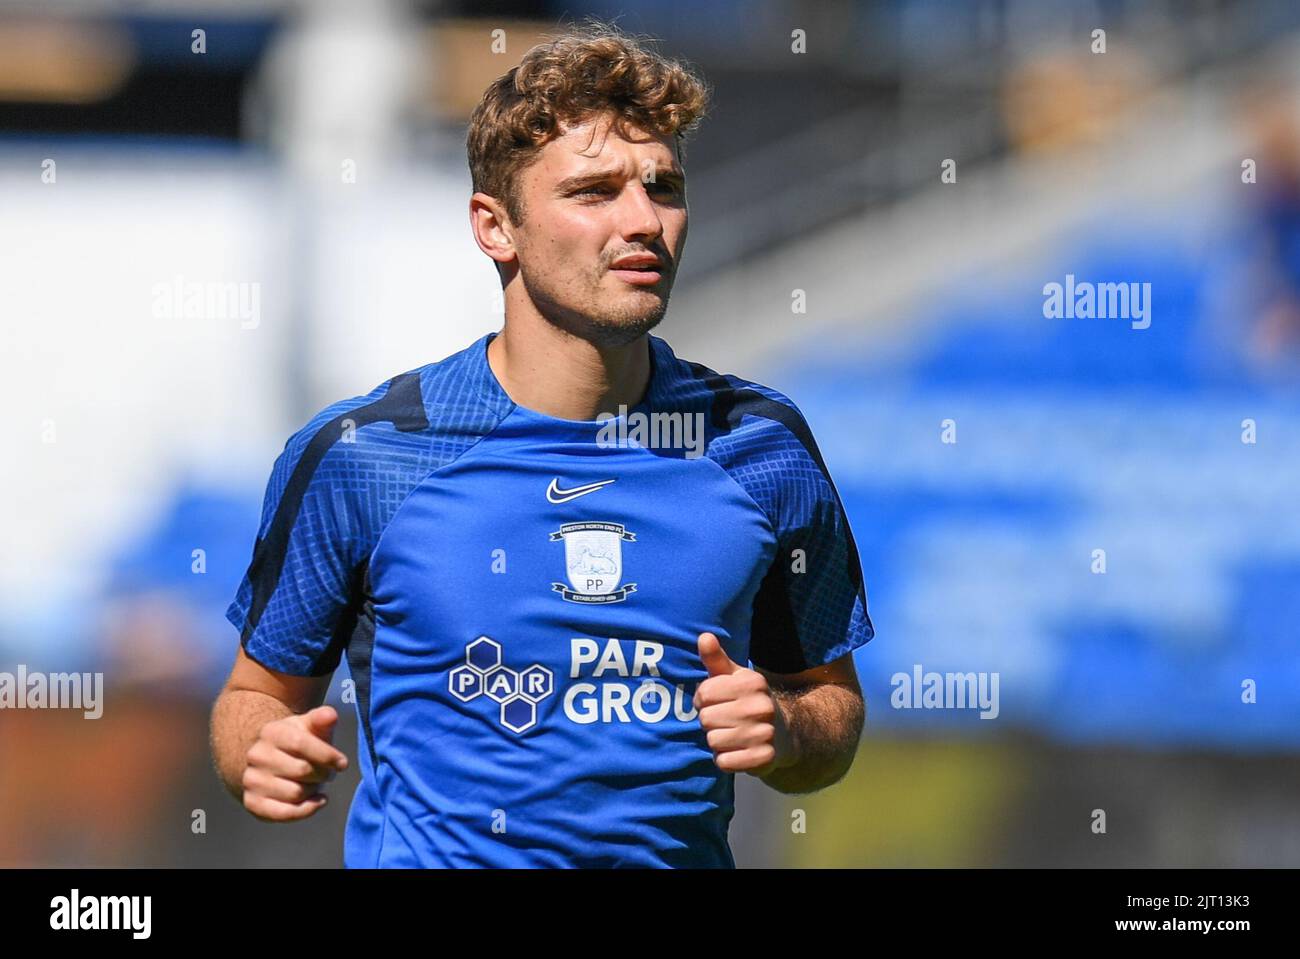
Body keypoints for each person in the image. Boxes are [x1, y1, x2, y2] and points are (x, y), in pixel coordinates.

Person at [210, 21, 874, 868]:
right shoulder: (362, 455)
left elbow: (832, 713)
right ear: (496, 227)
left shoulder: (761, 446)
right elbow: (252, 697)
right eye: (595, 192)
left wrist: (784, 727)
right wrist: (259, 752)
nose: (644, 221)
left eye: (662, 188)